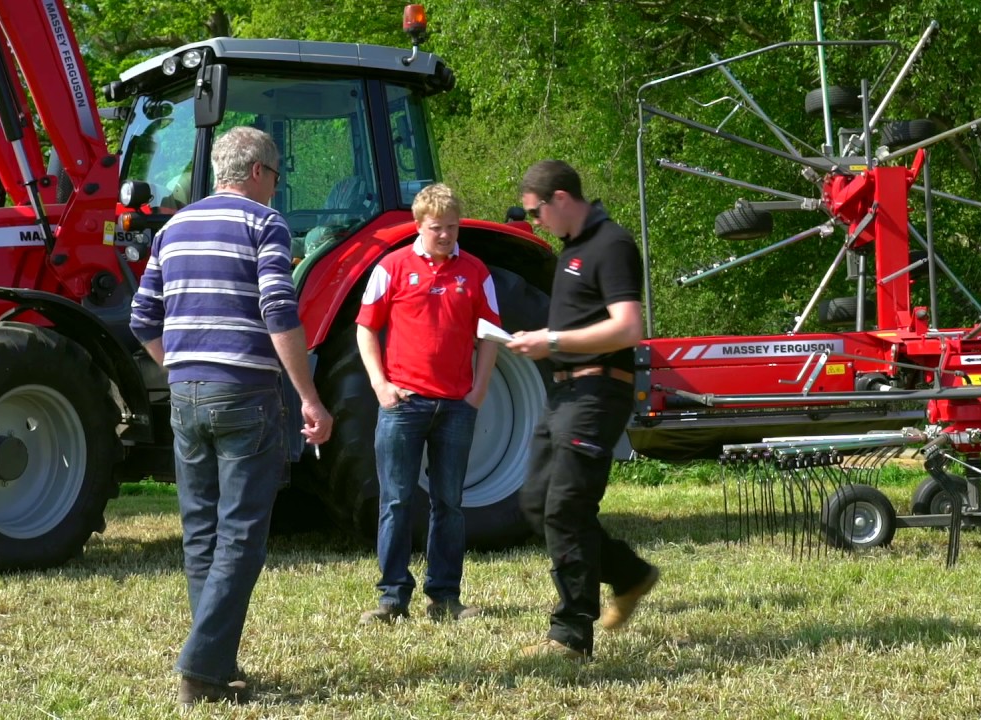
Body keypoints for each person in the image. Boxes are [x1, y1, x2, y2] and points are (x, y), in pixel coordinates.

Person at [129, 126, 332, 706]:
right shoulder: (263, 224)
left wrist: (182, 368)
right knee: (242, 534)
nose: (276, 187)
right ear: (259, 172)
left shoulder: (172, 228)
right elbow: (277, 310)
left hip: (187, 396)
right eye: (276, 176)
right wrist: (310, 397)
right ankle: (202, 663)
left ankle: (215, 662)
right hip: (245, 394)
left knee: (202, 532)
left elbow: (143, 318)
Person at [506, 159, 659, 661]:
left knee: (567, 507)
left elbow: (628, 327)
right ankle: (631, 575)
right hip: (564, 393)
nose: (534, 223)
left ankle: (571, 633)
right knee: (535, 503)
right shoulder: (574, 249)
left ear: (560, 199)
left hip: (598, 391)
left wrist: (551, 339)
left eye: (535, 212)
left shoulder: (610, 244)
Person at [355, 182, 502, 624]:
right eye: (438, 227)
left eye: (453, 227)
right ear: (418, 225)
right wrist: (381, 386)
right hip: (403, 403)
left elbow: (491, 335)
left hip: (456, 406)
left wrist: (479, 390)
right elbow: (365, 329)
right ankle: (392, 598)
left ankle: (444, 596)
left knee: (449, 503)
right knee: (397, 500)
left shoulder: (476, 272)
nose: (446, 235)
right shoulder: (391, 266)